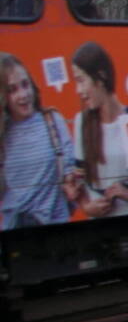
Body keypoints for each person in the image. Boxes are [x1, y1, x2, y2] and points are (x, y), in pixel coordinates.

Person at [70, 41, 128, 218]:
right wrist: (87, 208)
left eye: (81, 80)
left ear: (101, 77)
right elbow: (79, 182)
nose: (78, 90)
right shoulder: (81, 122)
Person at [0, 52, 78, 229]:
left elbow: (70, 167)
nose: (23, 94)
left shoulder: (52, 121)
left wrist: (71, 182)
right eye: (12, 90)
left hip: (55, 223)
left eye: (25, 84)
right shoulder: (2, 135)